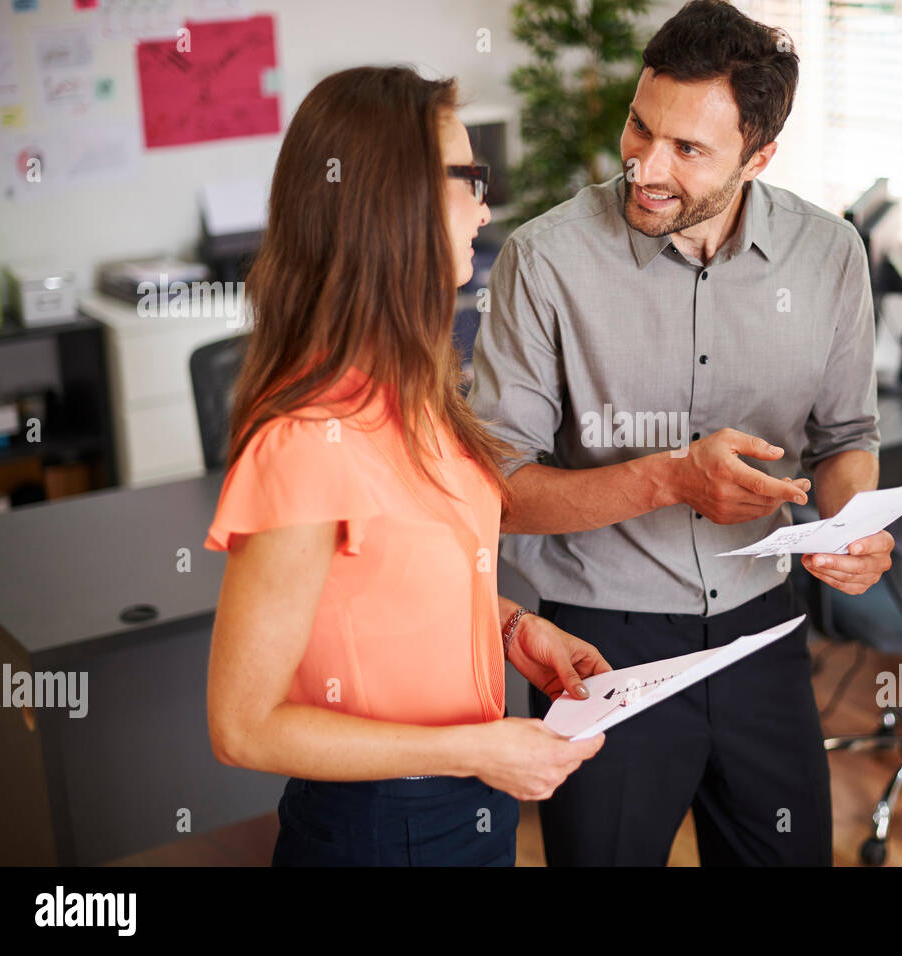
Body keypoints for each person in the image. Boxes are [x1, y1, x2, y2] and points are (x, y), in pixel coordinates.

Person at [467, 0, 893, 866]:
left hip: (763, 630)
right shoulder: (543, 262)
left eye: (688, 150)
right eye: (639, 126)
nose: (646, 166)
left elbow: (847, 435)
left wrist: (857, 527)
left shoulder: (829, 255)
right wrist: (666, 479)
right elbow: (496, 494)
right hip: (598, 647)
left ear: (760, 156)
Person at [204, 66, 609, 867]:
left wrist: (514, 628)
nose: (486, 208)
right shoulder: (305, 440)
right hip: (383, 824)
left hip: (467, 798)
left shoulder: (415, 391)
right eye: (469, 179)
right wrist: (478, 750)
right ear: (398, 200)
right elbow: (242, 726)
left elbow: (388, 588)